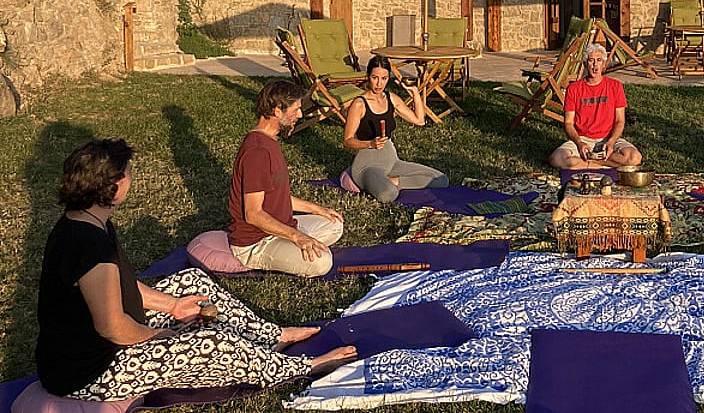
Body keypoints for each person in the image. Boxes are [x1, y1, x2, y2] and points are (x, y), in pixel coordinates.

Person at [35, 138, 355, 401]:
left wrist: (173, 305)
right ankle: (301, 366)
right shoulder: (88, 244)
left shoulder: (89, 221)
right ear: (114, 186)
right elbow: (113, 327)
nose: (133, 178)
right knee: (210, 342)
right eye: (129, 173)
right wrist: (163, 337)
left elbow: (121, 285)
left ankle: (273, 336)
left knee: (193, 283)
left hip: (106, 342)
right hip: (91, 371)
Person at [228, 80, 345, 277]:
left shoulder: (269, 141)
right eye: (295, 109)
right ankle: (287, 249)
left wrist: (319, 210)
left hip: (283, 225)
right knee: (322, 262)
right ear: (276, 111)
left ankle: (295, 245)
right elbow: (253, 214)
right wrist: (298, 237)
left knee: (334, 224)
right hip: (257, 243)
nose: (300, 115)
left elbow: (278, 197)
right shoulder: (257, 152)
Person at [342, 55, 448, 202]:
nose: (379, 83)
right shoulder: (359, 104)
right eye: (375, 78)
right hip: (368, 165)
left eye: (384, 78)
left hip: (391, 161)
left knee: (441, 180)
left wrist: (415, 93)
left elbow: (419, 120)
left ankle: (392, 181)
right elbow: (347, 140)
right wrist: (370, 144)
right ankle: (370, 181)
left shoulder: (391, 98)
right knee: (388, 194)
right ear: (368, 77)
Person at [549, 42, 642, 170]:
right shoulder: (573, 88)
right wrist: (579, 143)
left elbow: (620, 121)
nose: (595, 65)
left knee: (634, 157)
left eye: (599, 60)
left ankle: (590, 163)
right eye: (591, 60)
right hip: (583, 139)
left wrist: (611, 142)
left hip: (608, 138)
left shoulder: (615, 86)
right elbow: (568, 123)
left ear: (604, 64)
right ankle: (602, 164)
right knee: (557, 159)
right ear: (585, 64)